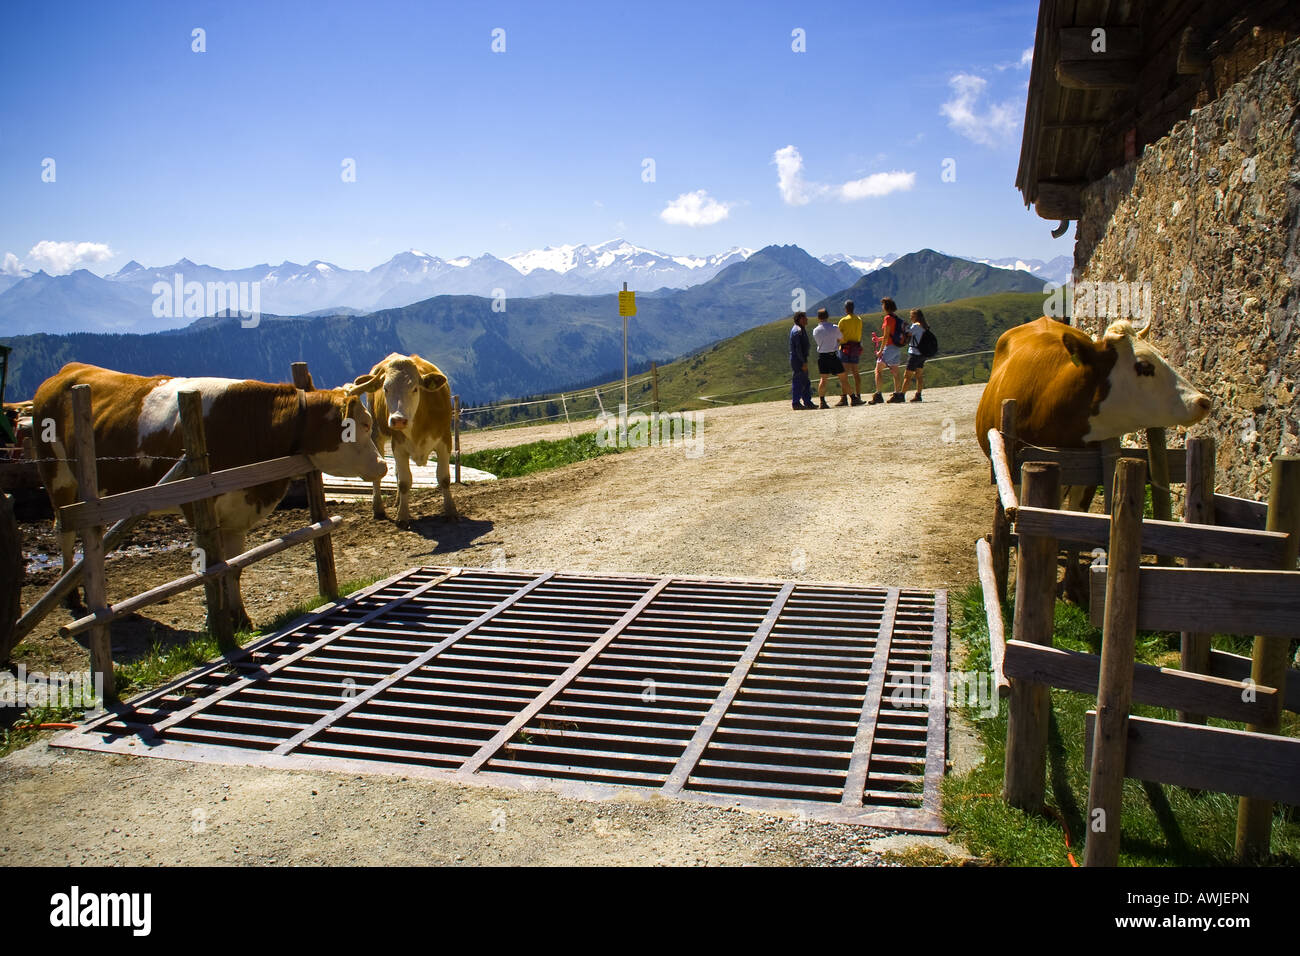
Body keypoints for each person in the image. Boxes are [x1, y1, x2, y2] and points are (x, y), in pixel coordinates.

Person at [869, 297, 907, 404]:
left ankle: (878, 394)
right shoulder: (896, 318)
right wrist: (878, 339)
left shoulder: (887, 318)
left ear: (885, 307)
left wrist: (880, 350)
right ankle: (898, 394)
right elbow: (890, 335)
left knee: (877, 370)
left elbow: (886, 337)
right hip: (896, 347)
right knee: (895, 372)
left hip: (889, 347)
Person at [811, 308, 851, 408]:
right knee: (843, 378)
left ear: (818, 318)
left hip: (822, 356)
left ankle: (822, 401)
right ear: (827, 316)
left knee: (823, 380)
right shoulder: (834, 327)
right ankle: (853, 398)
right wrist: (836, 343)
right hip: (833, 355)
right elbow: (841, 339)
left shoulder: (815, 330)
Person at [837, 300, 865, 405]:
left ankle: (844, 398)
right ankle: (858, 396)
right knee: (856, 373)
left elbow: (839, 336)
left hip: (844, 349)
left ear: (846, 309)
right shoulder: (859, 320)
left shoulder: (843, 321)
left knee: (844, 375)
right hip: (855, 349)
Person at [788, 311, 816, 410]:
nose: (807, 320)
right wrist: (803, 362)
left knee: (805, 381)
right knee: (799, 380)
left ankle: (807, 401)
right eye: (804, 318)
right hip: (798, 360)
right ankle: (796, 402)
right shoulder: (798, 331)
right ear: (799, 319)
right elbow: (798, 349)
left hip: (799, 359)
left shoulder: (800, 329)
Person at [903, 308, 929, 402]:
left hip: (914, 353)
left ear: (916, 317)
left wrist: (905, 326)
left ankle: (901, 395)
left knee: (907, 375)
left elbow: (908, 333)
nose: (910, 317)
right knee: (919, 375)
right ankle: (918, 395)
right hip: (922, 354)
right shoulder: (924, 326)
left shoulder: (916, 326)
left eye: (912, 316)